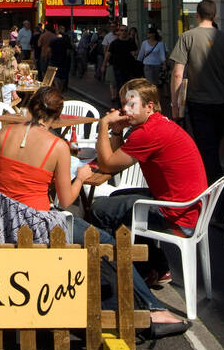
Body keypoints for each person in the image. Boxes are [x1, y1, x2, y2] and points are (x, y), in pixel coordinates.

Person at [0, 85, 187, 338]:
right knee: (108, 242)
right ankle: (151, 307)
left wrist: (17, 176)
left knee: (101, 225)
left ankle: (116, 298)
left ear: (32, 107)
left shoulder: (6, 132)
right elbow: (66, 200)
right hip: (40, 222)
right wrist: (80, 177)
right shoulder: (58, 146)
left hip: (5, 218)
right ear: (59, 115)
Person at [81, 78, 206, 294]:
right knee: (121, 196)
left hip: (178, 215)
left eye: (131, 104)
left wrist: (103, 126)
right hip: (189, 207)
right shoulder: (156, 123)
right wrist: (118, 132)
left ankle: (116, 278)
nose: (124, 110)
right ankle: (156, 268)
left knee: (101, 211)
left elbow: (107, 164)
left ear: (149, 106)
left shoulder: (147, 133)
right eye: (123, 104)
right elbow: (114, 163)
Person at [169, 0, 224, 186]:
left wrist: (176, 105)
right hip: (221, 102)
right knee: (211, 148)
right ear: (215, 16)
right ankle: (209, 192)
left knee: (207, 151)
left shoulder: (187, 37)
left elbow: (177, 74)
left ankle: (219, 200)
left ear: (197, 14)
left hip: (198, 102)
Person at [106, 26, 138, 92]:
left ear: (127, 32)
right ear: (119, 32)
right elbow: (108, 54)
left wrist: (135, 53)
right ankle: (120, 100)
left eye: (125, 30)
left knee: (128, 85)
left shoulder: (131, 42)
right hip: (118, 67)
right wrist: (104, 65)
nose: (123, 32)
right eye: (122, 30)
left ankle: (126, 99)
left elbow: (137, 51)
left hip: (129, 67)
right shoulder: (114, 43)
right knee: (120, 85)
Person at [48, 24, 72, 89]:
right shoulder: (66, 40)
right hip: (64, 60)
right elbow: (69, 50)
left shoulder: (53, 40)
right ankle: (62, 88)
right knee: (63, 76)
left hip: (54, 60)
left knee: (56, 75)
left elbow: (49, 50)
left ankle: (57, 88)